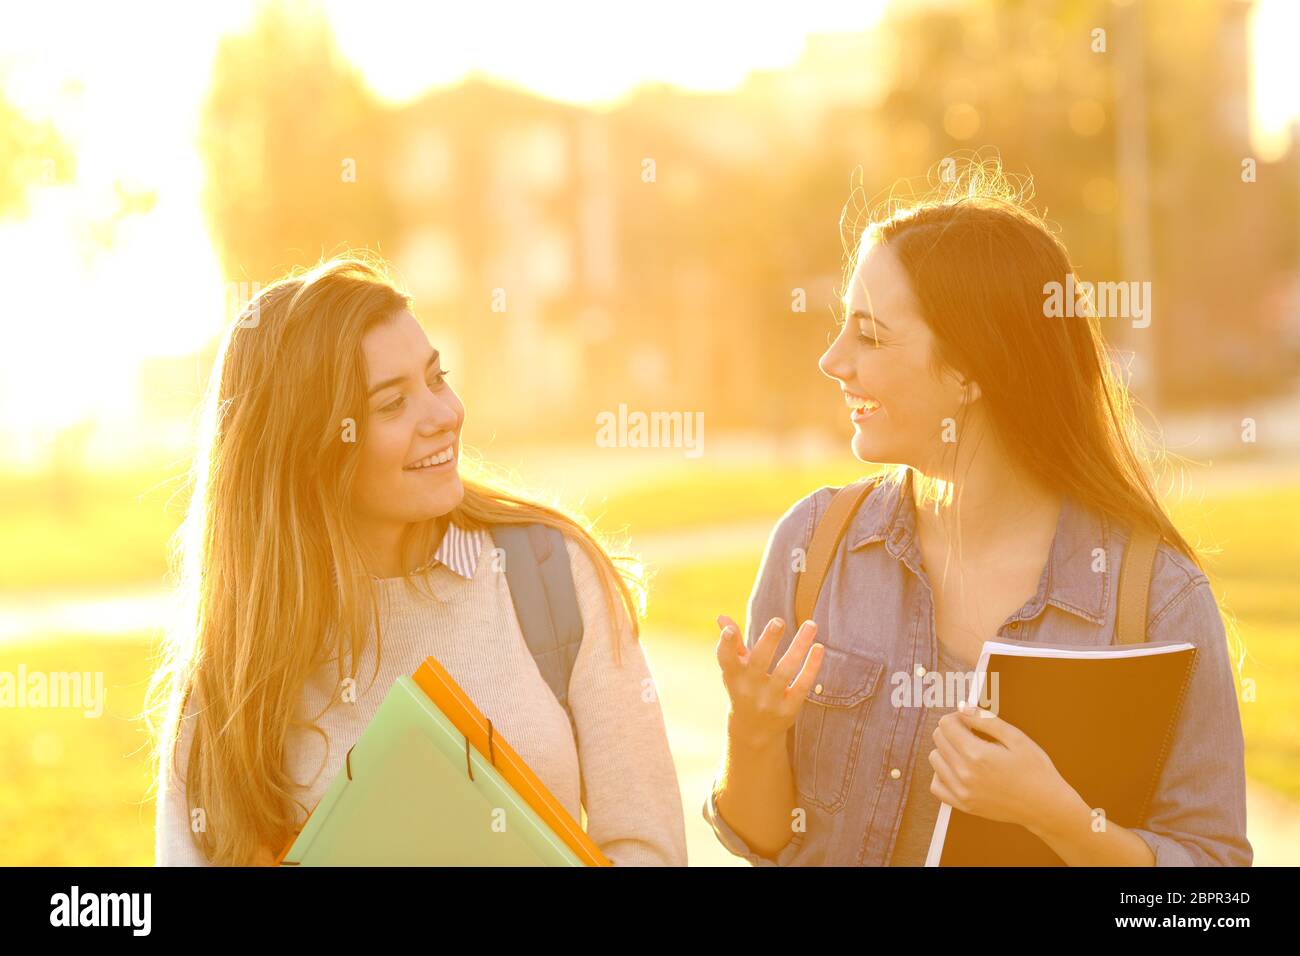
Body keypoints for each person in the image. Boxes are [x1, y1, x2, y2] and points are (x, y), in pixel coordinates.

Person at [704, 165, 1252, 866]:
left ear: (969, 371)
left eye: (869, 336)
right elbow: (765, 844)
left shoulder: (1158, 599)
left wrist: (1057, 817)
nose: (831, 359)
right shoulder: (813, 548)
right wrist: (751, 732)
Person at [149, 254, 686, 866]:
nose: (445, 415)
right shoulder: (233, 674)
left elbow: (652, 849)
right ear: (310, 451)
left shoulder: (552, 576)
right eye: (391, 404)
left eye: (436, 377)